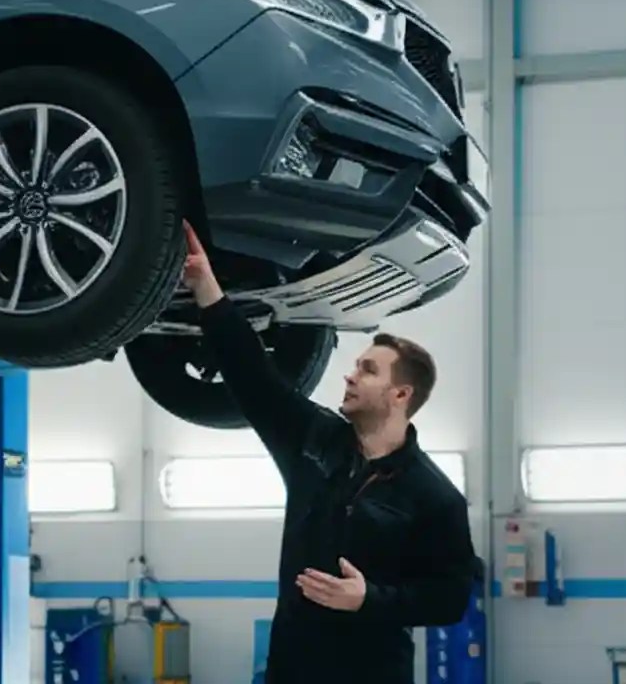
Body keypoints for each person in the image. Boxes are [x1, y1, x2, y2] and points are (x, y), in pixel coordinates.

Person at [179, 222, 478, 683]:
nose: (350, 376)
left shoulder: (435, 497)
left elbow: (451, 599)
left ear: (401, 395)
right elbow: (255, 379)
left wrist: (370, 599)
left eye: (368, 370)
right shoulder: (313, 441)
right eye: (356, 366)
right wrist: (207, 287)